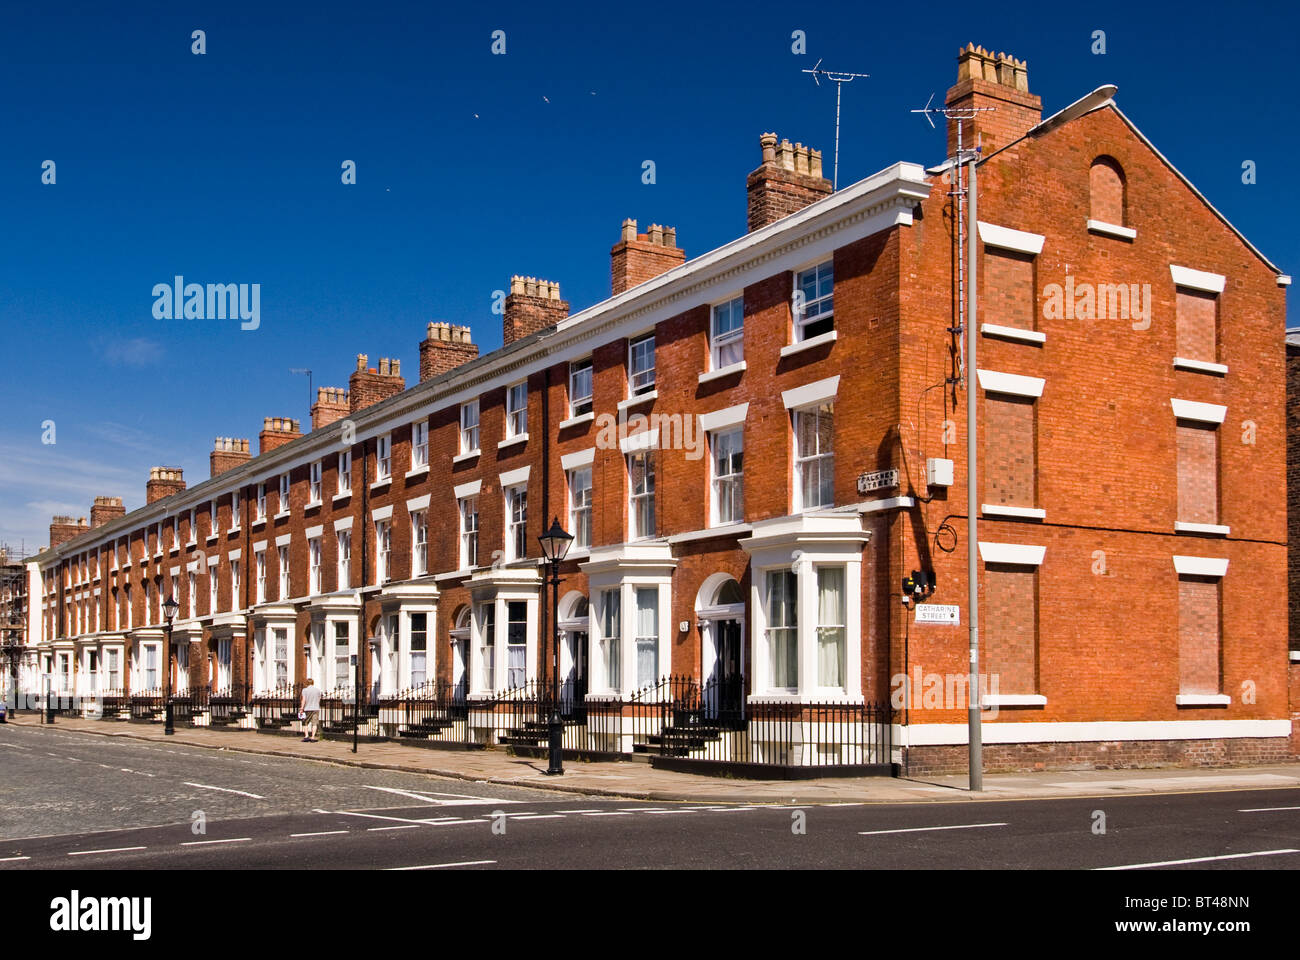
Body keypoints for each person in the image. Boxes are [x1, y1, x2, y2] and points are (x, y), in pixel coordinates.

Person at [300, 677, 321, 742]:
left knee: (305, 722)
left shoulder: (305, 690)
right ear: (313, 683)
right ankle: (313, 737)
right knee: (314, 723)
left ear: (307, 683)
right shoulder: (317, 690)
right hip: (315, 708)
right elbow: (319, 699)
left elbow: (303, 700)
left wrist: (301, 708)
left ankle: (306, 736)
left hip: (307, 708)